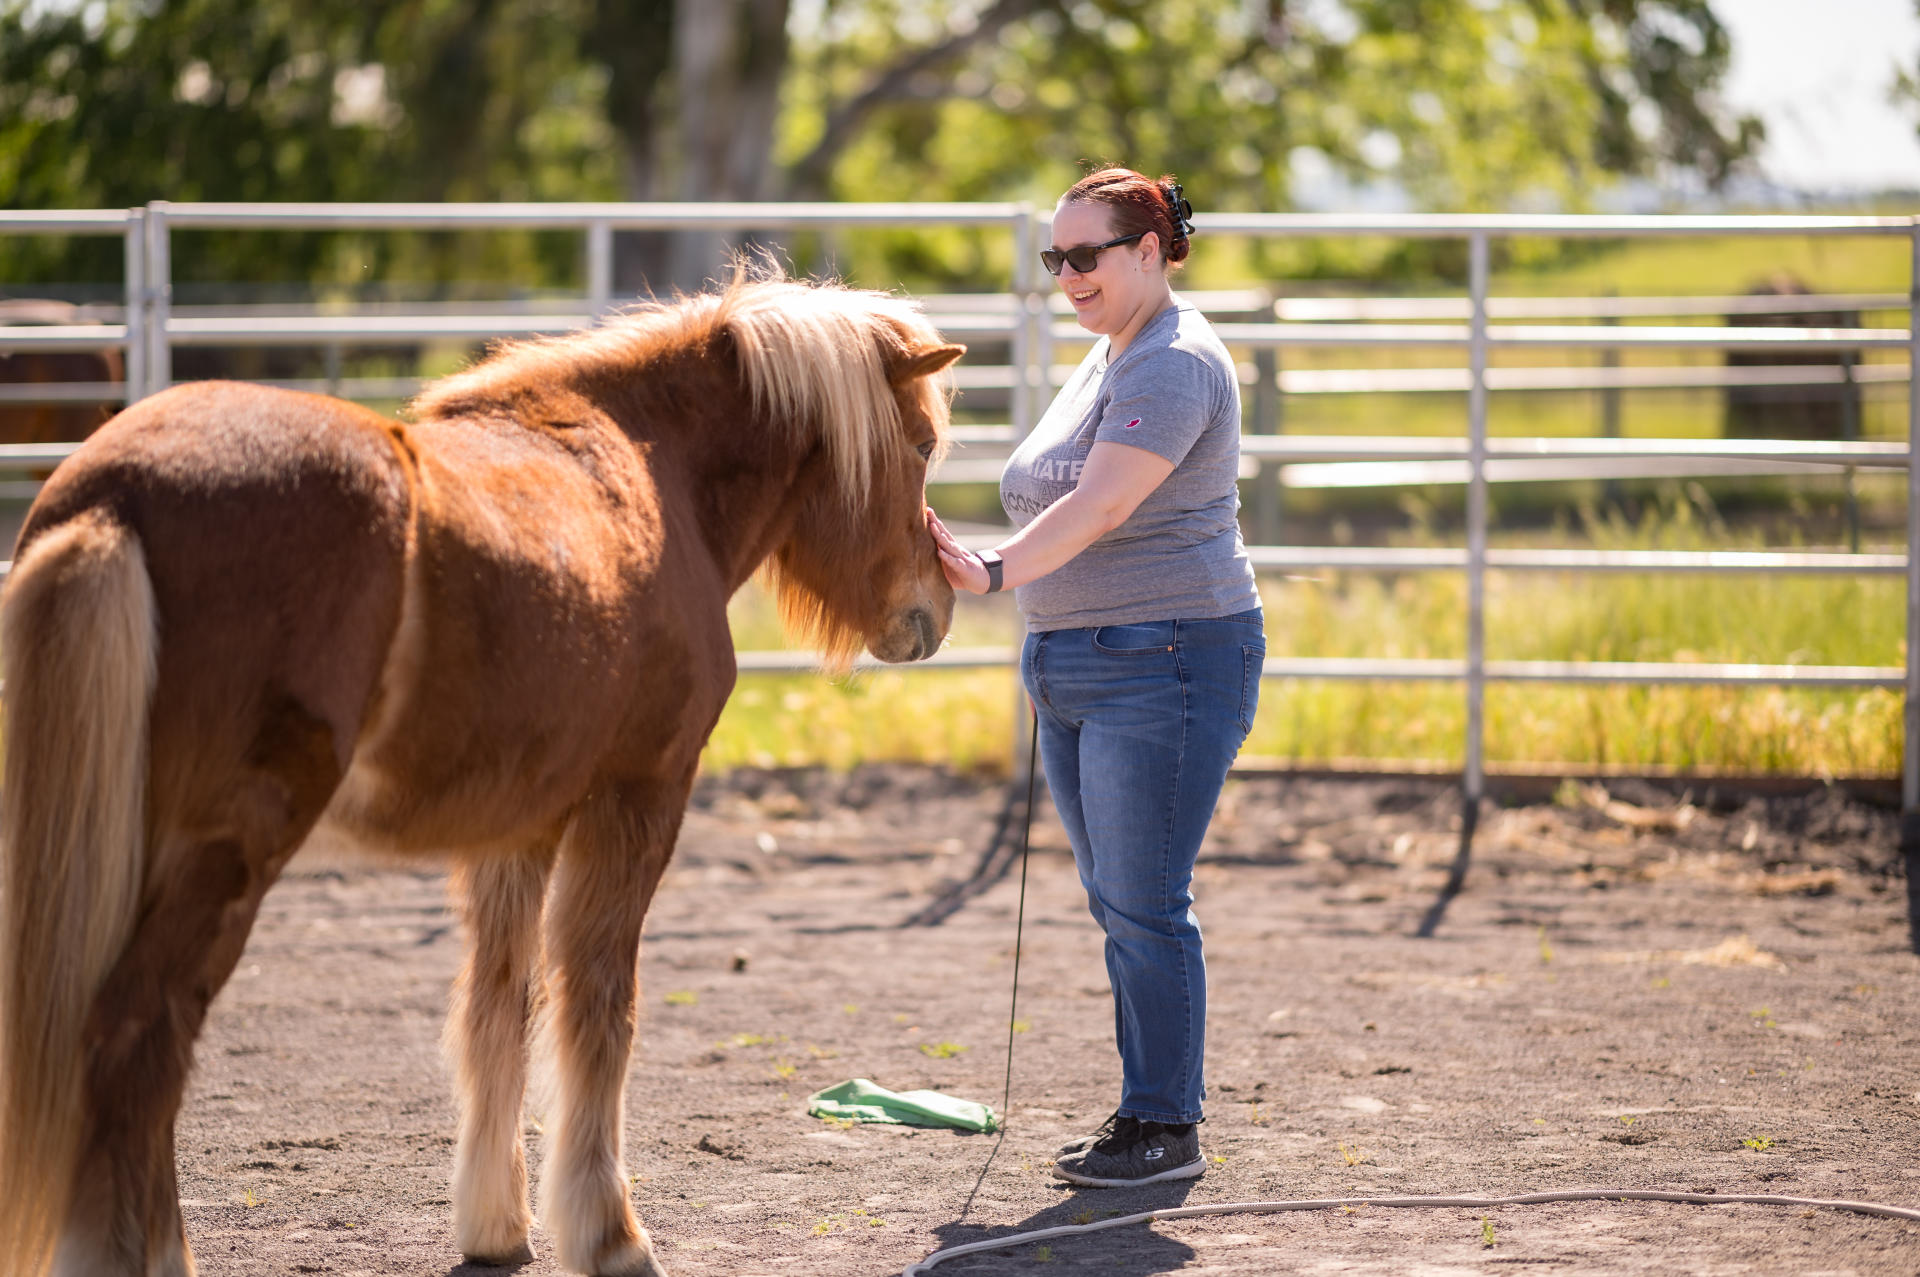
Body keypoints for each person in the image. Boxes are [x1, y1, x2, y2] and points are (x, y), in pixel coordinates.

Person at [925, 167, 1264, 1189]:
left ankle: (1164, 1123)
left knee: (1144, 898)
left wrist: (993, 570)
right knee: (1120, 899)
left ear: (1152, 250)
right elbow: (1064, 501)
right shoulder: (1110, 353)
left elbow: (1105, 506)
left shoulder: (1172, 362)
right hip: (1089, 660)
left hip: (1164, 656)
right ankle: (1149, 1111)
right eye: (1054, 258)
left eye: (1087, 255)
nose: (1066, 275)